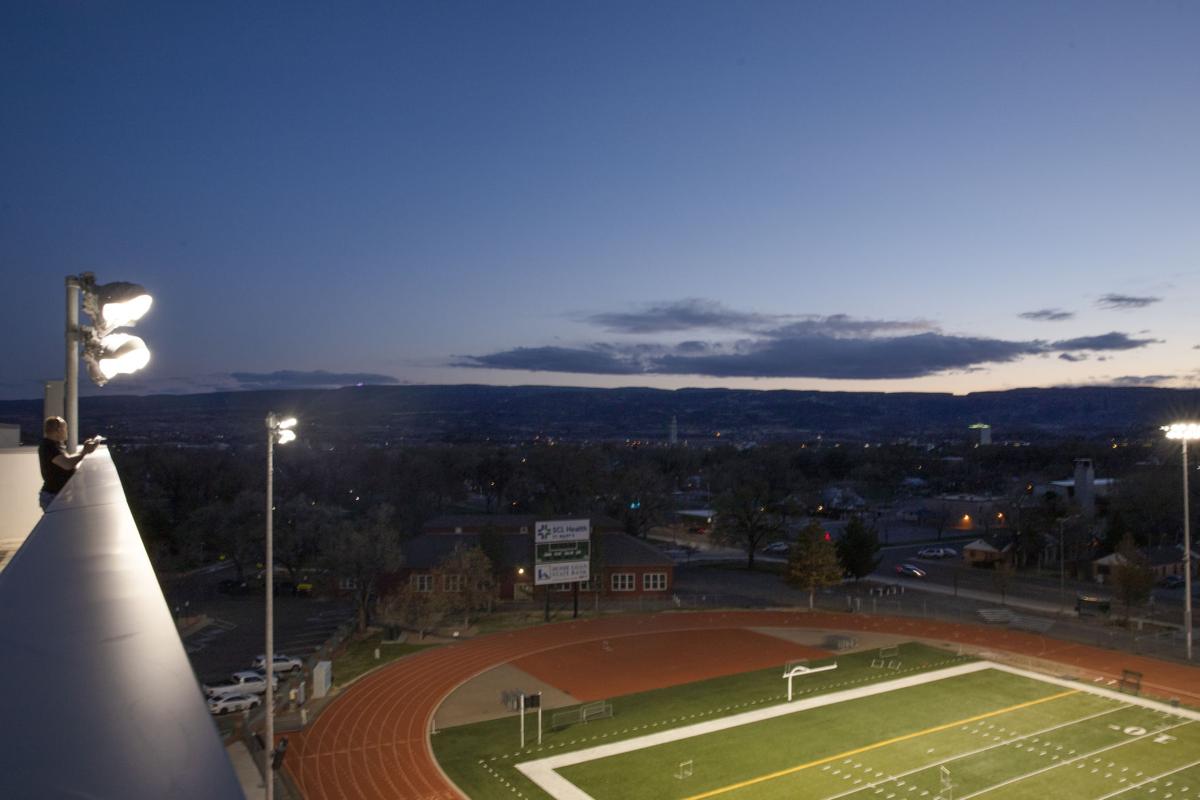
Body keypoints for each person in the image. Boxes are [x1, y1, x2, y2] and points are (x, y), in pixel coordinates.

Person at [38, 416, 98, 512]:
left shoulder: (54, 445)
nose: (67, 431)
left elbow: (66, 460)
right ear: (58, 430)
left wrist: (84, 451)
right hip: (53, 496)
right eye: (65, 428)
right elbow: (67, 464)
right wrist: (84, 451)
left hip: (56, 495)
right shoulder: (49, 447)